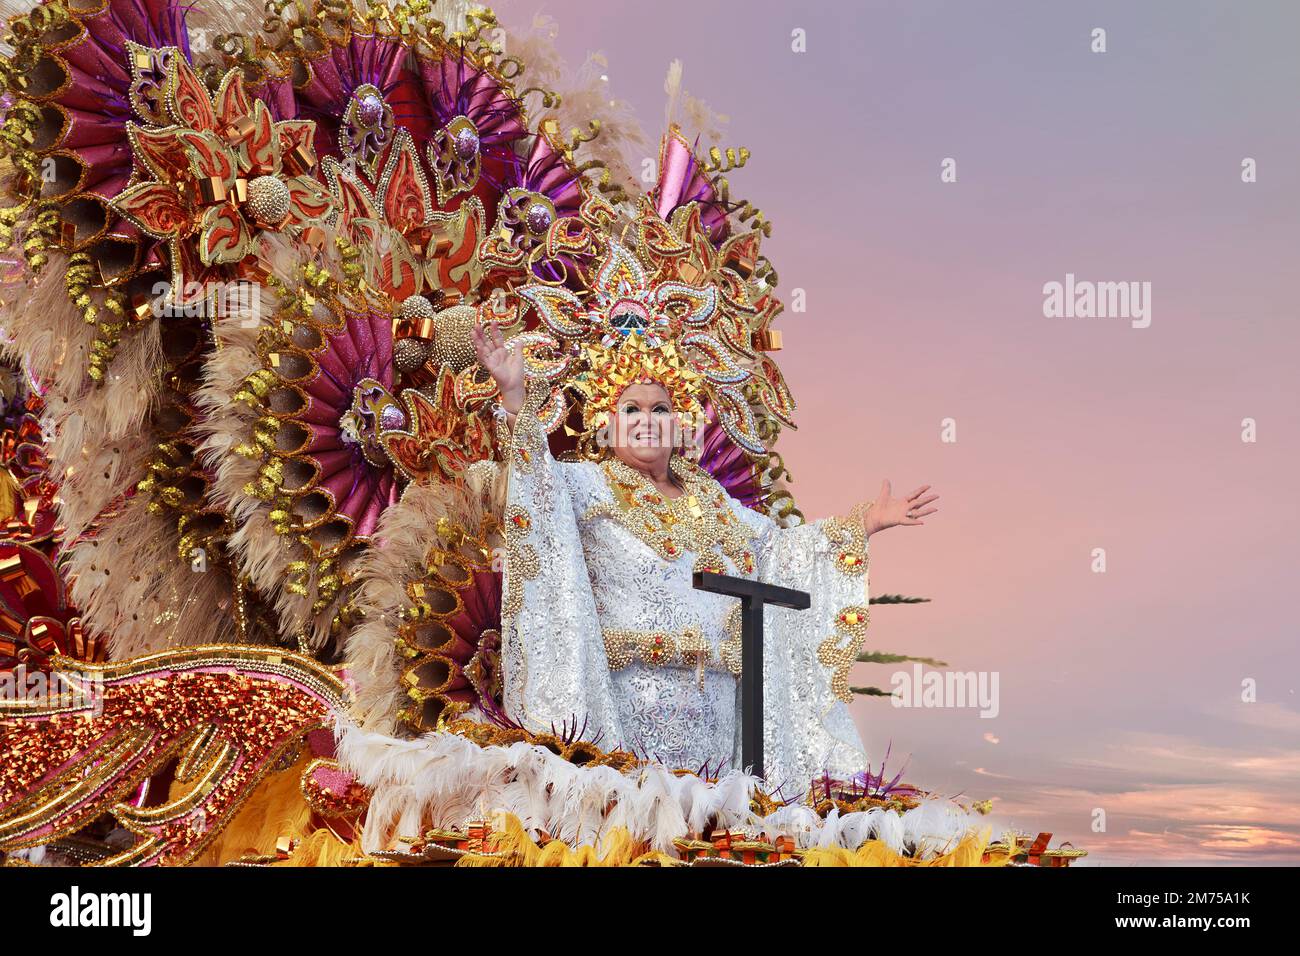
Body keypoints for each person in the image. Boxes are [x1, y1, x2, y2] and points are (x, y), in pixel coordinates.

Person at [471, 319, 939, 792]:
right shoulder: (585, 484)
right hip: (629, 708)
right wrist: (514, 397)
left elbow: (778, 551)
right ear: (606, 422)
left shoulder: (710, 498)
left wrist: (866, 523)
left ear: (678, 424)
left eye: (660, 410)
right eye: (631, 409)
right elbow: (538, 493)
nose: (646, 421)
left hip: (717, 718)